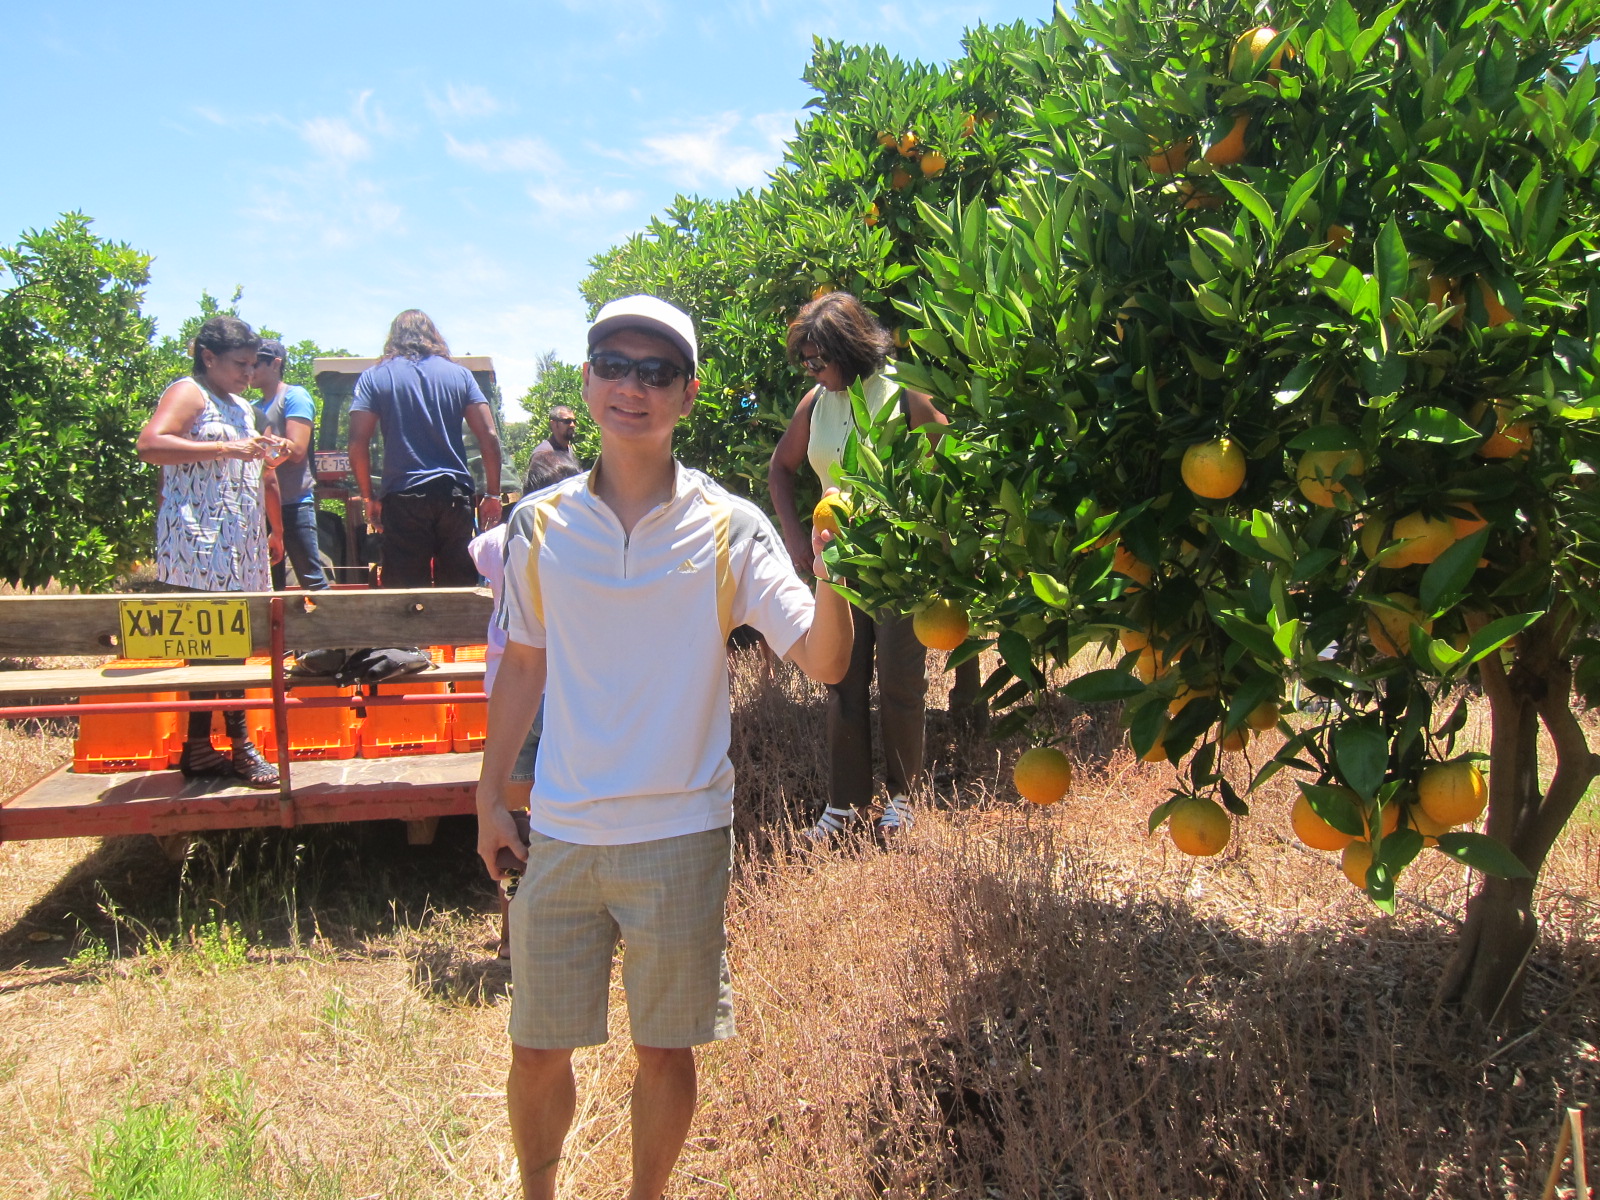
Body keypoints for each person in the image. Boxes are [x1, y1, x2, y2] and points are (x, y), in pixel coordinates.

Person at [474, 295, 852, 1200]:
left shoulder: (728, 527)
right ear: (586, 380)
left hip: (682, 829)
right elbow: (522, 669)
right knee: (535, 1047)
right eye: (614, 364)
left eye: (656, 373)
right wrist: (491, 796)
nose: (632, 387)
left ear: (687, 394)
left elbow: (828, 660)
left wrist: (835, 569)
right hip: (563, 826)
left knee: (665, 1047)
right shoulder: (539, 525)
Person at [767, 290, 970, 843]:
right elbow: (780, 469)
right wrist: (795, 540)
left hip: (899, 568)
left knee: (902, 685)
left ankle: (905, 797)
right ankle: (844, 803)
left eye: (817, 358)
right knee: (841, 681)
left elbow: (951, 471)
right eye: (805, 360)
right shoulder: (815, 404)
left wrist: (937, 549)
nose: (810, 369)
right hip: (839, 567)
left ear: (850, 347)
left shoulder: (905, 396)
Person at [136, 315, 288, 787]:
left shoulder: (240, 405)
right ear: (209, 357)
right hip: (201, 540)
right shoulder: (189, 393)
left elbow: (252, 464)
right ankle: (234, 747)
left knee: (231, 647)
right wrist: (226, 451)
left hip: (235, 541)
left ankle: (202, 748)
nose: (249, 373)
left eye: (253, 364)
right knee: (211, 648)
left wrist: (265, 451)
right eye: (240, 364)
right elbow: (150, 444)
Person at [468, 447, 584, 960]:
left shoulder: (498, 540)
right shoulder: (582, 538)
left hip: (512, 699)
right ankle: (571, 925)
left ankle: (514, 937)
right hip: (564, 693)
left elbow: (476, 549)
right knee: (572, 813)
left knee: (510, 821)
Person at [348, 309, 504, 586]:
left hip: (403, 497)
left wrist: (367, 496)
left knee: (406, 597)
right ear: (433, 336)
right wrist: (492, 493)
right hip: (453, 497)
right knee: (458, 590)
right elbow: (489, 436)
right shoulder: (460, 376)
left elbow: (358, 441)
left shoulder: (375, 377)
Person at [252, 338, 328, 591]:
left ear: (275, 364)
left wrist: (259, 443)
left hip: (295, 504)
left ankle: (331, 628)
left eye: (255, 365)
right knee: (267, 582)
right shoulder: (252, 407)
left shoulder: (294, 396)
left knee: (311, 578)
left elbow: (296, 450)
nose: (248, 371)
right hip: (261, 507)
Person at [530, 404, 582, 472]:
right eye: (567, 421)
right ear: (553, 424)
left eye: (574, 421)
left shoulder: (568, 448)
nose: (572, 425)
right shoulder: (542, 454)